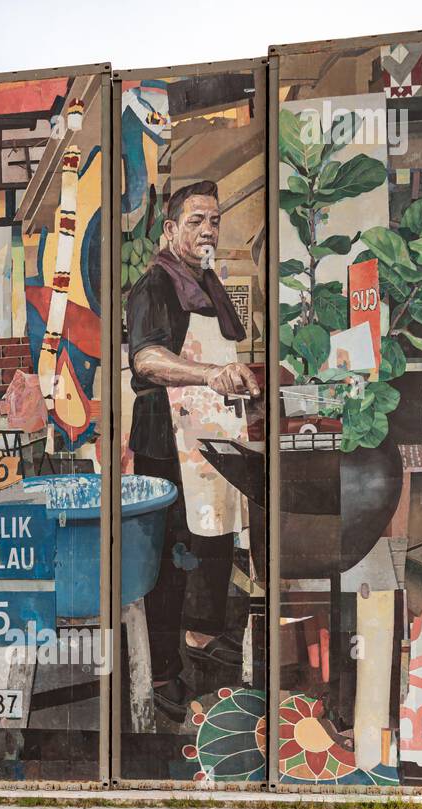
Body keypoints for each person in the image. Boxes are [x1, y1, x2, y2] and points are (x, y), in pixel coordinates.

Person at [126, 179, 261, 721]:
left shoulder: (210, 284)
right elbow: (147, 360)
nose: (207, 229)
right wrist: (211, 374)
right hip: (168, 439)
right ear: (170, 230)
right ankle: (163, 674)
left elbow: (228, 352)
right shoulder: (155, 284)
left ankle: (203, 646)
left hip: (213, 436)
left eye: (214, 220)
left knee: (212, 551)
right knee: (171, 560)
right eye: (195, 221)